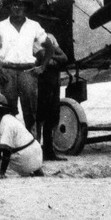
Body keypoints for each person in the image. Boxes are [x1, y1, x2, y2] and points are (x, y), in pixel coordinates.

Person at [0, 0, 47, 134]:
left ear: (25, 7)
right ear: (9, 7)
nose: (17, 8)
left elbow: (49, 47)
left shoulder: (34, 26)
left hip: (28, 72)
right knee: (7, 111)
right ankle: (8, 144)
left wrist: (43, 66)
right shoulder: (0, 27)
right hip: (8, 73)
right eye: (14, 4)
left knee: (31, 111)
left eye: (21, 4)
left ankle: (33, 143)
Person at [0, 92, 45, 177]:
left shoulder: (5, 124)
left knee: (4, 153)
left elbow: (4, 152)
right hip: (37, 155)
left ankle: (27, 169)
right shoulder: (10, 119)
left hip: (26, 160)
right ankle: (35, 169)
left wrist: (1, 172)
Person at [36, 31, 69, 159]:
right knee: (40, 116)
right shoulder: (35, 38)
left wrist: (50, 56)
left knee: (52, 115)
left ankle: (48, 151)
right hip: (42, 80)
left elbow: (64, 58)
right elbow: (42, 58)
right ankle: (38, 150)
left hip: (54, 80)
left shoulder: (50, 37)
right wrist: (54, 56)